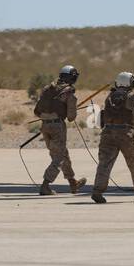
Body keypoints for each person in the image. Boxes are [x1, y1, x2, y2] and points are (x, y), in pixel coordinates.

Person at [91, 71, 134, 204]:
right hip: (126, 134)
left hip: (107, 133)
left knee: (104, 164)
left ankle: (97, 191)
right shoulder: (131, 97)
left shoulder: (110, 97)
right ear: (130, 83)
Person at [33, 64, 87, 196]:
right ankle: (45, 185)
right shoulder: (68, 92)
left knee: (62, 153)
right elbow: (71, 117)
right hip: (57, 126)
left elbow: (37, 111)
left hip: (45, 125)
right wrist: (71, 109)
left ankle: (72, 182)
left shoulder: (48, 89)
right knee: (59, 157)